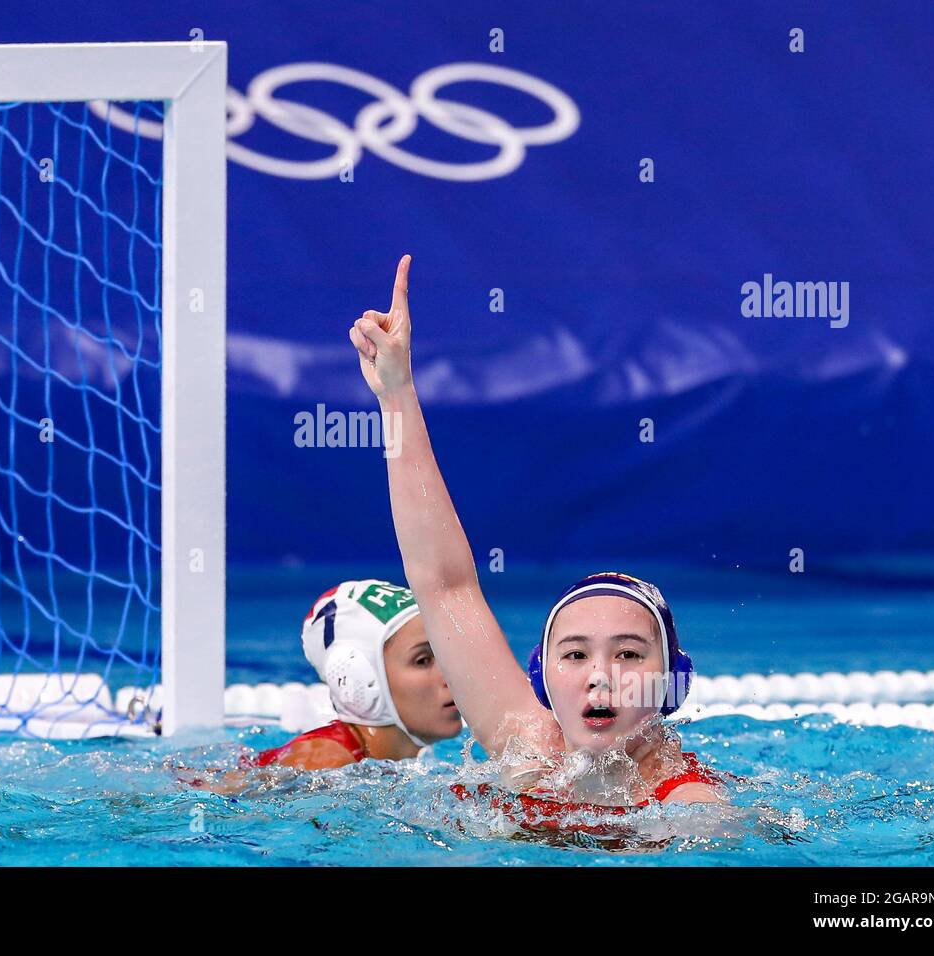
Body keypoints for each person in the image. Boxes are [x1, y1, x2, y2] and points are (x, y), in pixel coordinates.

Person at [347, 256, 729, 830]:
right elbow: (443, 586)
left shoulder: (693, 810)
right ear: (540, 677)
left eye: (627, 654)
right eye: (574, 655)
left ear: (672, 680)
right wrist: (396, 393)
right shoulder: (527, 741)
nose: (599, 675)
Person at [185, 579, 463, 793]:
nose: (449, 674)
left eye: (444, 652)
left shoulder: (387, 760)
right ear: (358, 679)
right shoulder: (323, 765)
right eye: (423, 660)